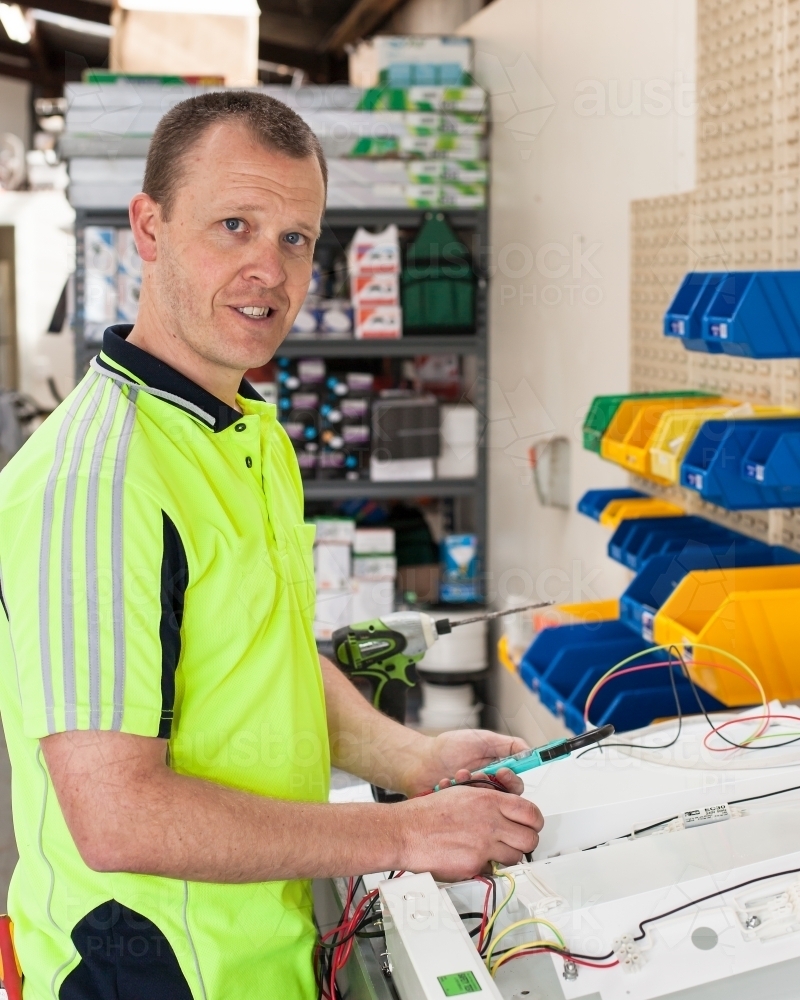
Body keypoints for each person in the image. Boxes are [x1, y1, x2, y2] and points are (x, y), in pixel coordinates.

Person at [0, 90, 543, 999]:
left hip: (262, 940)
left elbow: (268, 660)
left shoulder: (247, 427)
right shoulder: (93, 485)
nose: (270, 269)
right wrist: (409, 833)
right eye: (234, 225)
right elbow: (117, 814)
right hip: (155, 970)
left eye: (296, 238)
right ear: (149, 227)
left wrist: (410, 760)